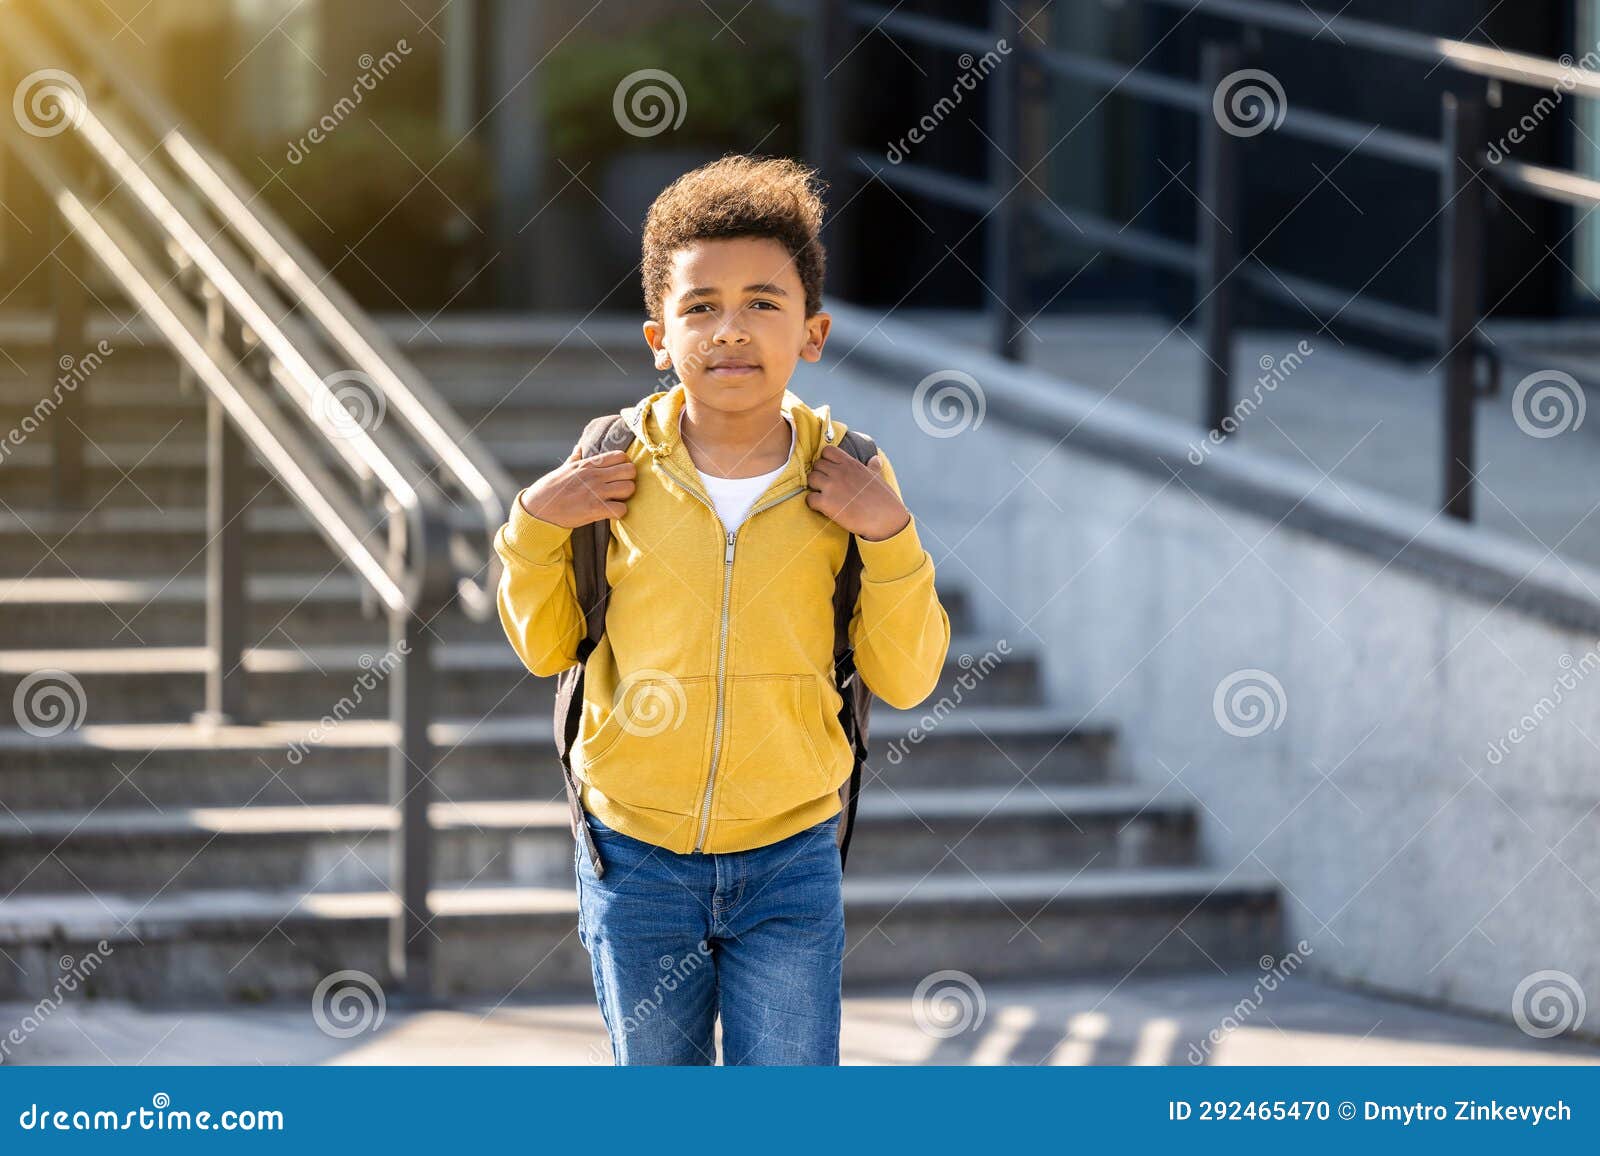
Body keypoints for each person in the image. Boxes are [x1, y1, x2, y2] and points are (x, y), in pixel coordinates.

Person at [493, 153, 950, 1064]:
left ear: (812, 333)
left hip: (791, 856)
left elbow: (907, 674)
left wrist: (891, 534)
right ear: (659, 335)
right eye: (700, 306)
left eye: (763, 303)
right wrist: (533, 528)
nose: (730, 330)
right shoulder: (611, 464)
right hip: (635, 854)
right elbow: (549, 651)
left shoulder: (854, 471)